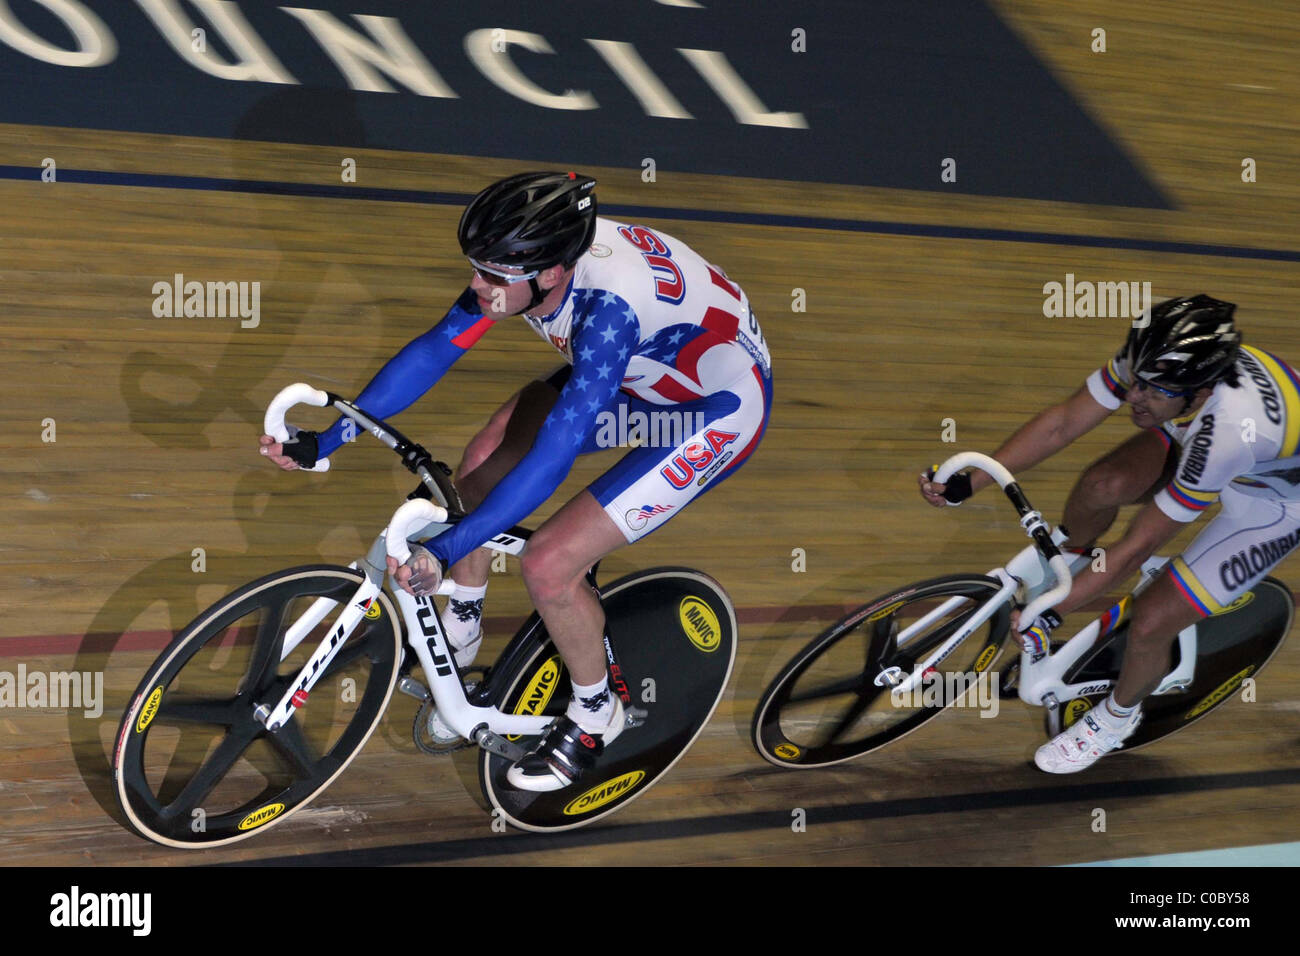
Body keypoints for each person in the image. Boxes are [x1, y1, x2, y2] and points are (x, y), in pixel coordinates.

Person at [259, 171, 773, 791]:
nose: (479, 287)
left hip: (711, 410)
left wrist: (445, 548)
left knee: (550, 562)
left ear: (552, 272)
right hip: (643, 376)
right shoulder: (529, 267)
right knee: (478, 467)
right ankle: (465, 621)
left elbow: (550, 460)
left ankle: (594, 713)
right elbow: (440, 346)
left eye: (494, 276)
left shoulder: (608, 312)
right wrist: (331, 438)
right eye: (477, 267)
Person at [919, 294, 1300, 772]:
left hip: (1278, 503)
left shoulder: (1227, 433)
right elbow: (1062, 424)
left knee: (1153, 618)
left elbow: (1140, 543)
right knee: (1102, 485)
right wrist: (968, 483)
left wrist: (1055, 612)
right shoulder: (1160, 364)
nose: (1134, 396)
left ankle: (1117, 718)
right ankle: (1071, 559)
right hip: (1206, 439)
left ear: (1199, 389)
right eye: (1135, 381)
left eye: (1152, 390)